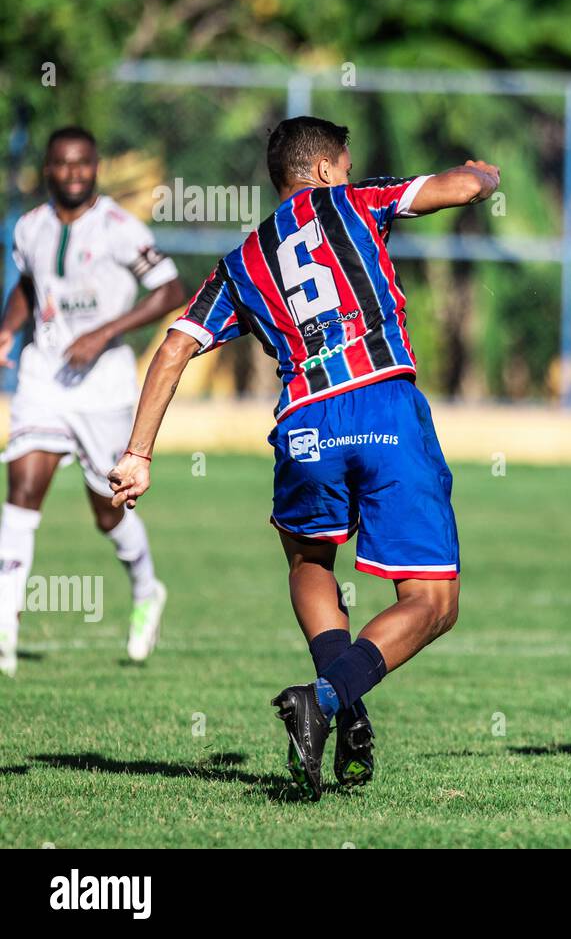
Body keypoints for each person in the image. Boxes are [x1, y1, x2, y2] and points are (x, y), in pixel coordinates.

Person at [108, 116, 500, 800]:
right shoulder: (359, 201)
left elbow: (173, 347)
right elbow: (458, 188)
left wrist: (139, 454)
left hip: (303, 422)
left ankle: (345, 711)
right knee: (433, 601)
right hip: (382, 405)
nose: (347, 174)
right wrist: (485, 175)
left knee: (310, 560)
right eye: (342, 165)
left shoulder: (241, 261)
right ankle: (329, 694)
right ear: (322, 171)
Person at [0, 127, 184, 676]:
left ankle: (147, 589)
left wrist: (104, 333)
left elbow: (171, 292)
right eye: (62, 164)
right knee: (24, 483)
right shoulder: (29, 226)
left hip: (103, 382)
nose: (73, 173)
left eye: (83, 164)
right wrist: (8, 329)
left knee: (108, 509)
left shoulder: (119, 228)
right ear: (48, 169)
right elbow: (29, 286)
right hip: (44, 375)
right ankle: (5, 625)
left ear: (96, 167)